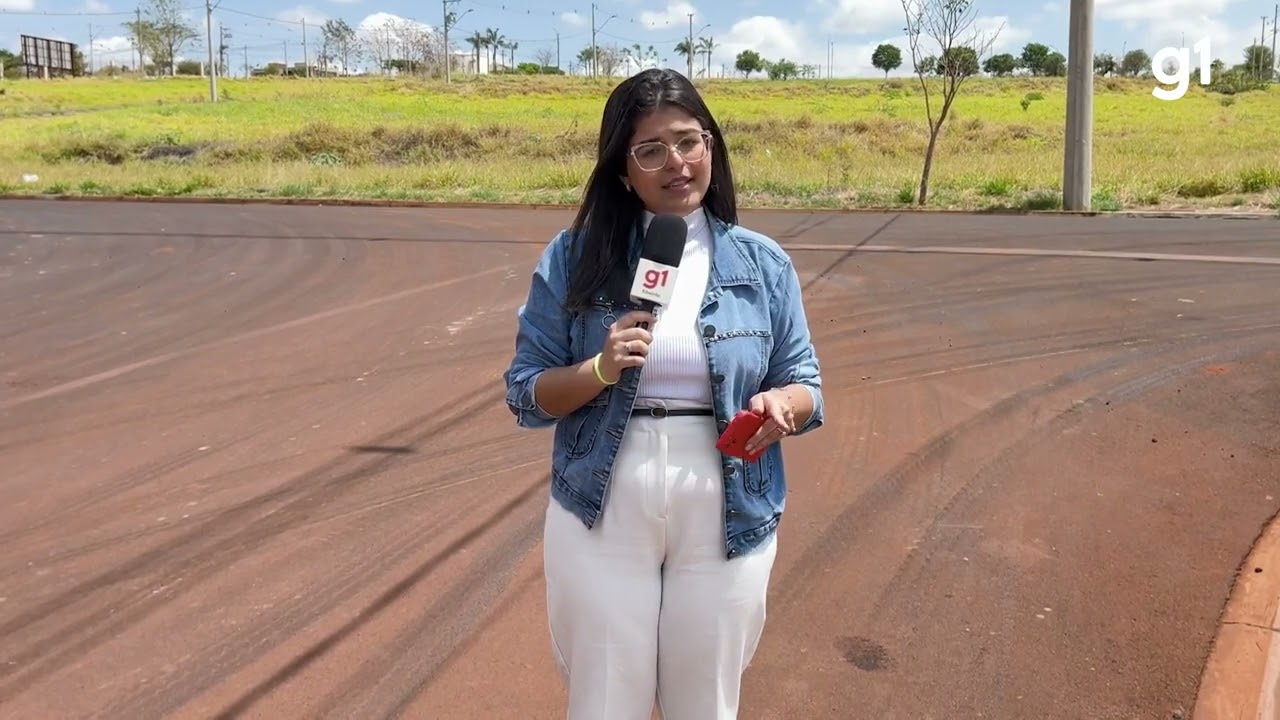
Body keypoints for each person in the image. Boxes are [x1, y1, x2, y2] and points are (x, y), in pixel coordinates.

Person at [502, 67, 824, 720]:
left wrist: (781, 407)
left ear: (711, 146)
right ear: (624, 169)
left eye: (688, 141)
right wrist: (600, 367)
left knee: (703, 702)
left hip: (725, 493)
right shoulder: (575, 257)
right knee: (604, 699)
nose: (675, 162)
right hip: (604, 496)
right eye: (651, 150)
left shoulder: (763, 264)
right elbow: (525, 395)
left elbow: (806, 385)